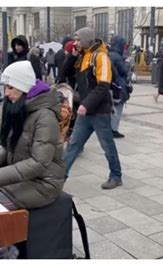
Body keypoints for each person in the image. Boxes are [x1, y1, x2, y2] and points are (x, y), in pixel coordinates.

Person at [0, 61, 65, 209]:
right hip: (25, 176)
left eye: (11, 87)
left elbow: (39, 163)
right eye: (5, 87)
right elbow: (11, 149)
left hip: (43, 183)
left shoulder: (45, 117)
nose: (6, 93)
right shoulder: (21, 107)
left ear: (24, 87)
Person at [61, 27, 123, 190]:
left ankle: (116, 176)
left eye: (78, 40)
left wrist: (85, 105)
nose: (75, 43)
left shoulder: (100, 57)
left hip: (99, 112)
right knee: (73, 144)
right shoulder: (82, 57)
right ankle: (60, 177)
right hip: (85, 111)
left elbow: (103, 86)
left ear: (87, 40)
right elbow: (63, 75)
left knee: (107, 145)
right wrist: (71, 56)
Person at [109, 35, 130, 138]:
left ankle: (109, 128)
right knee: (117, 108)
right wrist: (127, 63)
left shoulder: (108, 54)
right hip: (117, 86)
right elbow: (124, 71)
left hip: (109, 85)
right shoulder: (117, 57)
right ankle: (113, 129)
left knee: (110, 109)